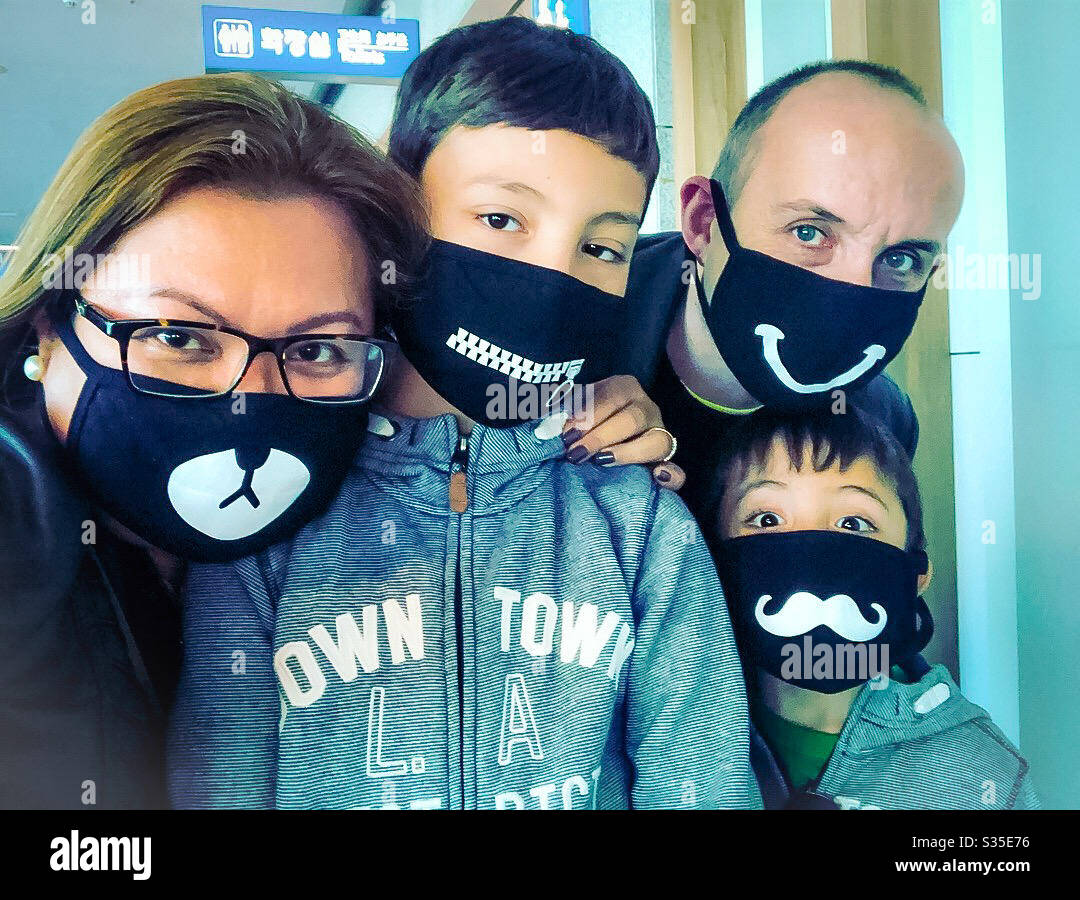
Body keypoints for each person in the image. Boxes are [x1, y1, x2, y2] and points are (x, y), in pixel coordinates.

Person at [168, 17, 760, 810]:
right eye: (502, 219)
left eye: (602, 247)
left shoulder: (638, 525)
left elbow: (703, 788)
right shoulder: (272, 503)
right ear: (399, 206)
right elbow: (223, 784)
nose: (553, 275)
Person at [0, 72, 428, 808]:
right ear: (49, 323)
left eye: (318, 350)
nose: (249, 404)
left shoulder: (378, 498)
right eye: (177, 336)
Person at [618, 60, 966, 508]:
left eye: (900, 259)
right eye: (809, 232)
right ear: (704, 223)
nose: (853, 292)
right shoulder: (570, 340)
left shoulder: (886, 422)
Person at [702, 407, 1038, 809]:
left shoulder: (983, 771)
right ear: (712, 555)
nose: (812, 552)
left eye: (853, 523)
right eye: (768, 518)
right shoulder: (662, 725)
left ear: (917, 574)